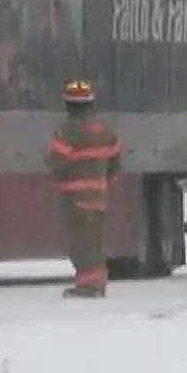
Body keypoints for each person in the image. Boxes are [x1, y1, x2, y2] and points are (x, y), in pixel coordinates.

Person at [45, 78, 121, 297]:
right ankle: (98, 284)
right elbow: (115, 162)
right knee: (94, 241)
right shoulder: (105, 130)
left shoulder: (69, 131)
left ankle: (88, 286)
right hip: (99, 195)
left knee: (81, 243)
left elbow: (56, 162)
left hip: (75, 198)